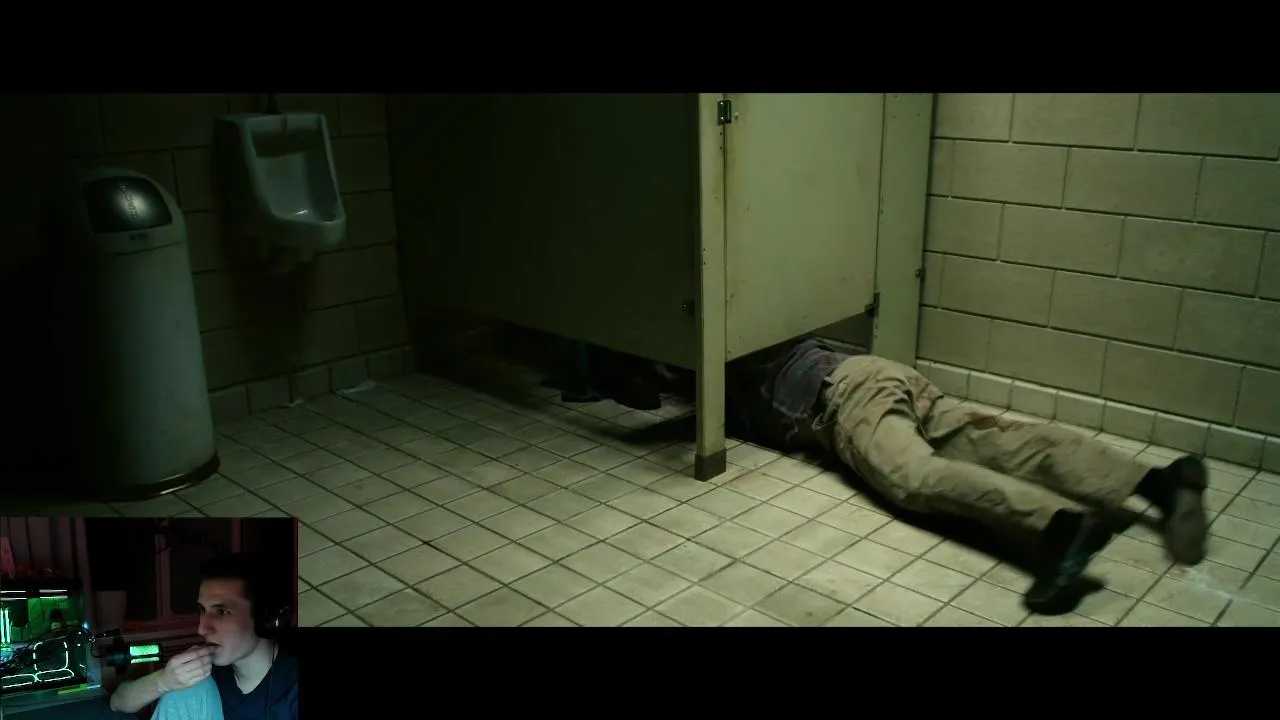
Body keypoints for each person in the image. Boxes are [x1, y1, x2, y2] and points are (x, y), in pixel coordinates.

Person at [698, 335, 1209, 615]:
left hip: (846, 396)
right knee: (1007, 443)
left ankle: (1058, 528)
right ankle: (1160, 482)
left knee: (912, 477)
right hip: (881, 374)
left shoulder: (715, 355)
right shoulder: (749, 316)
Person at [109, 552, 298, 720]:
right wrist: (164, 680)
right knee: (187, 689)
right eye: (202, 609)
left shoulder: (293, 688)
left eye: (222, 612)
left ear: (265, 618)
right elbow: (117, 701)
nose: (201, 629)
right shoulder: (204, 668)